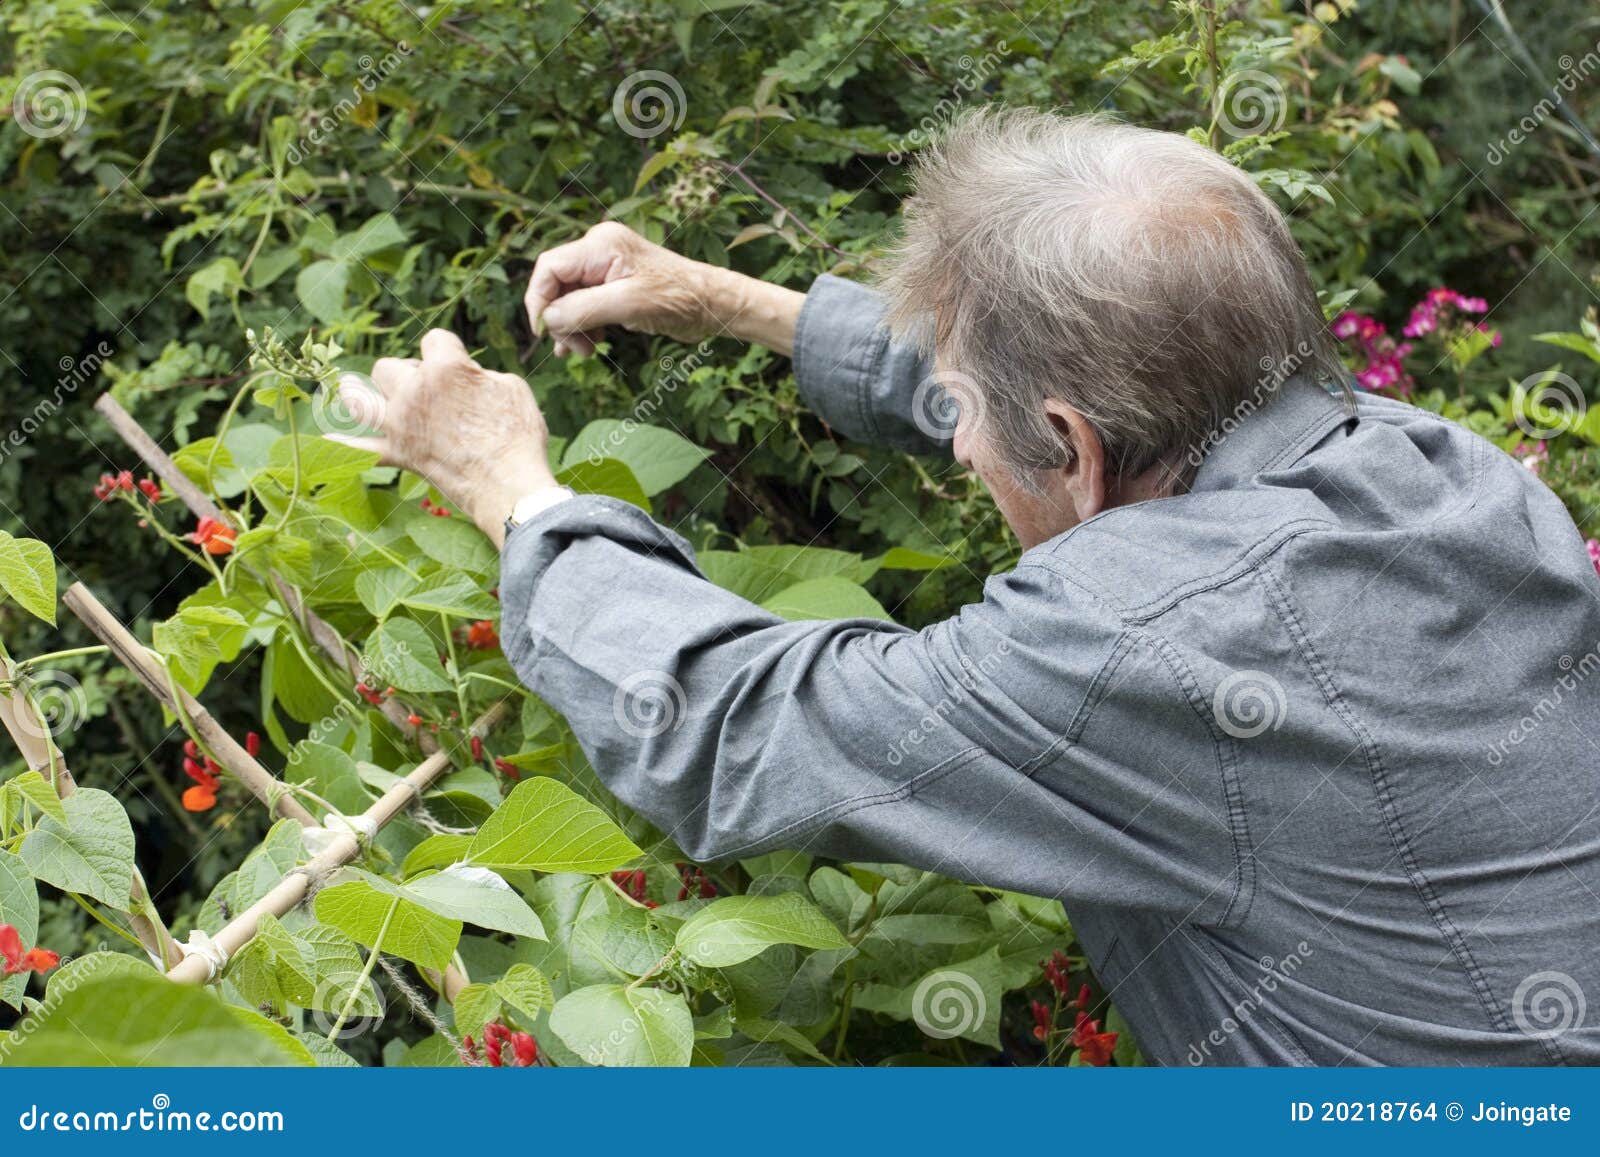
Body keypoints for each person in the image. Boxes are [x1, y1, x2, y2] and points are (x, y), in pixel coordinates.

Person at [329, 108, 1600, 1065]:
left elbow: (738, 727)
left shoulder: (1142, 642)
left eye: (967, 423)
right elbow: (1098, 381)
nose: (954, 442)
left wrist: (509, 485)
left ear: (1076, 448)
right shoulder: (1439, 472)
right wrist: (722, 303)